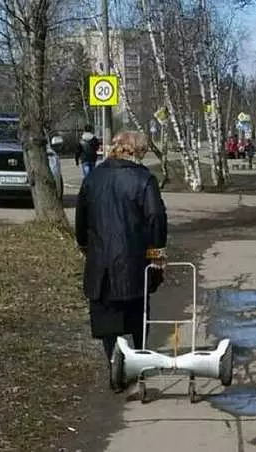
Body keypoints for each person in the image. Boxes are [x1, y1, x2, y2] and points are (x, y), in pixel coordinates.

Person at [75, 131, 168, 391]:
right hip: (135, 262)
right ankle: (138, 362)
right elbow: (156, 219)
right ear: (136, 152)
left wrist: (84, 245)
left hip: (101, 261)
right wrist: (157, 254)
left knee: (107, 319)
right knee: (139, 314)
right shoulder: (143, 179)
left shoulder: (93, 178)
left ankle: (115, 365)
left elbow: (81, 217)